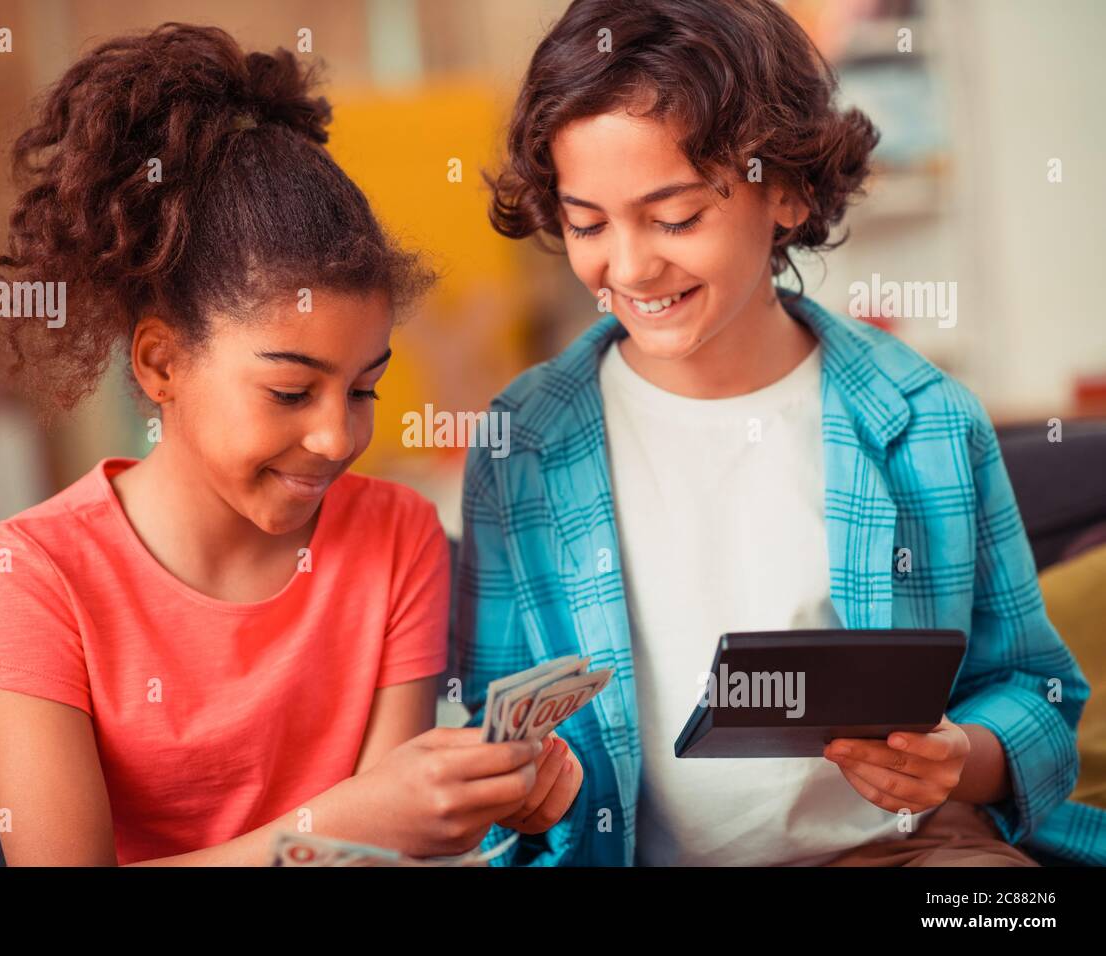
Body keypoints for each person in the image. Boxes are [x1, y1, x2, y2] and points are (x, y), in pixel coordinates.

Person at [458, 0, 1104, 866]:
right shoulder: (522, 444)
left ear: (789, 192)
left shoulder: (928, 419)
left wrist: (959, 761)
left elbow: (1035, 691)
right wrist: (523, 792)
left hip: (900, 849)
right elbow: (484, 725)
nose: (631, 266)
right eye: (587, 223)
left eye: (677, 217)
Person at [0, 23, 563, 866]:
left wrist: (476, 801)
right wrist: (339, 824)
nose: (336, 435)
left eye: (365, 387)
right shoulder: (31, 573)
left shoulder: (396, 540)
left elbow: (388, 852)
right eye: (289, 391)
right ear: (162, 362)